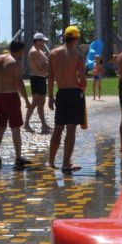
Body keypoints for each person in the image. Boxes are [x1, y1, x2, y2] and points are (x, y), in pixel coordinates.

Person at [48, 25, 87, 173]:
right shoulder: (77, 55)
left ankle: (51, 161)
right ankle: (66, 163)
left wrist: (50, 96)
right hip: (74, 93)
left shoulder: (53, 53)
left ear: (65, 37)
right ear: (76, 39)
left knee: (58, 128)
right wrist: (82, 89)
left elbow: (50, 78)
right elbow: (83, 81)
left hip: (61, 93)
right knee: (71, 130)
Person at [0, 39, 31, 169]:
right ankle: (18, 158)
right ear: (20, 50)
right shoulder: (15, 63)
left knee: (1, 127)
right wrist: (26, 100)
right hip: (10, 96)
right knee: (15, 128)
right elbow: (20, 83)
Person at [25, 32, 51, 133]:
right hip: (37, 78)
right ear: (38, 41)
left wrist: (48, 63)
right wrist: (50, 65)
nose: (44, 43)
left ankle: (43, 124)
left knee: (42, 103)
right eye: (43, 41)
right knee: (35, 102)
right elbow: (42, 66)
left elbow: (46, 63)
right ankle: (26, 123)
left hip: (41, 78)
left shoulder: (40, 51)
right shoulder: (34, 52)